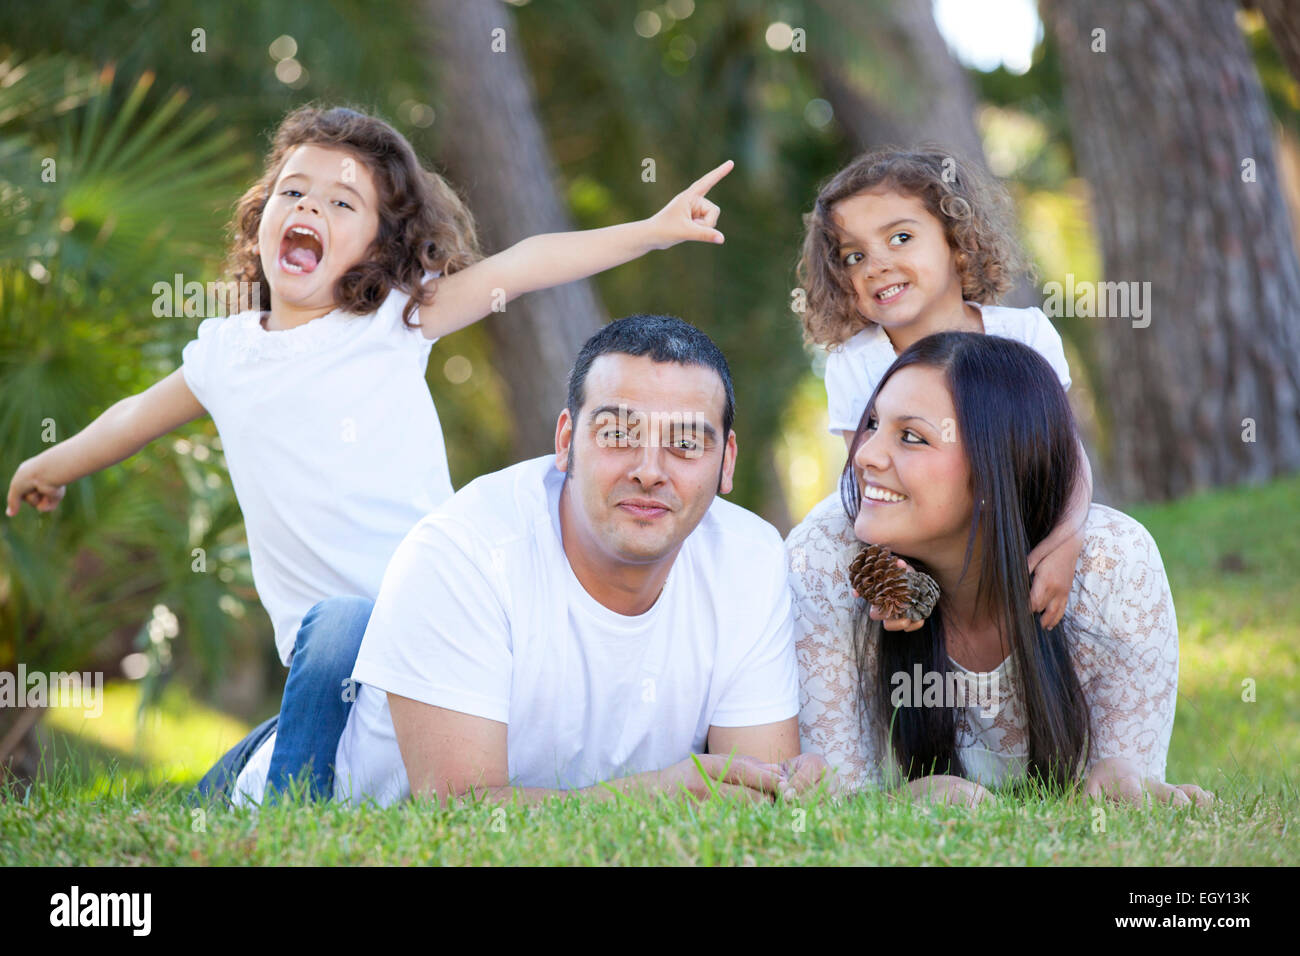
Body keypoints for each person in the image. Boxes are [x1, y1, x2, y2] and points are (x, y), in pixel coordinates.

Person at [5, 106, 736, 800]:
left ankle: (284, 807)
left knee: (356, 632)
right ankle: (256, 792)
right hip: (329, 650)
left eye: (342, 203)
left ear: (381, 243)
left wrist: (651, 229)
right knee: (337, 637)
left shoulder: (393, 321)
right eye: (293, 191)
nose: (310, 209)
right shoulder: (226, 355)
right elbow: (137, 416)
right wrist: (52, 464)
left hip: (434, 621)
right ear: (261, 214)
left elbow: (528, 262)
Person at [200, 315, 832, 806]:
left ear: (726, 464)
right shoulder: (466, 550)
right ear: (566, 442)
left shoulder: (749, 559)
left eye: (686, 443)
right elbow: (460, 815)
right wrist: (663, 791)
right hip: (294, 785)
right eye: (617, 433)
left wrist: (777, 785)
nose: (648, 470)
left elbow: (751, 791)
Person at [785, 331, 1213, 808]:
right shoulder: (826, 557)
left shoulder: (1112, 565)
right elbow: (832, 799)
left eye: (911, 436)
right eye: (871, 423)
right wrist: (913, 797)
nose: (864, 455)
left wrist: (1121, 778)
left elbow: (1122, 795)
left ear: (996, 467)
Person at [796, 146, 1088, 632]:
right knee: (817, 551)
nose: (876, 265)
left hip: (1014, 516)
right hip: (900, 527)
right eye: (854, 256)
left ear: (958, 242)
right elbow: (864, 480)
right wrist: (889, 577)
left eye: (901, 238)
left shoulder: (1025, 334)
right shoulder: (855, 362)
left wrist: (1067, 537)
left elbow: (1067, 456)